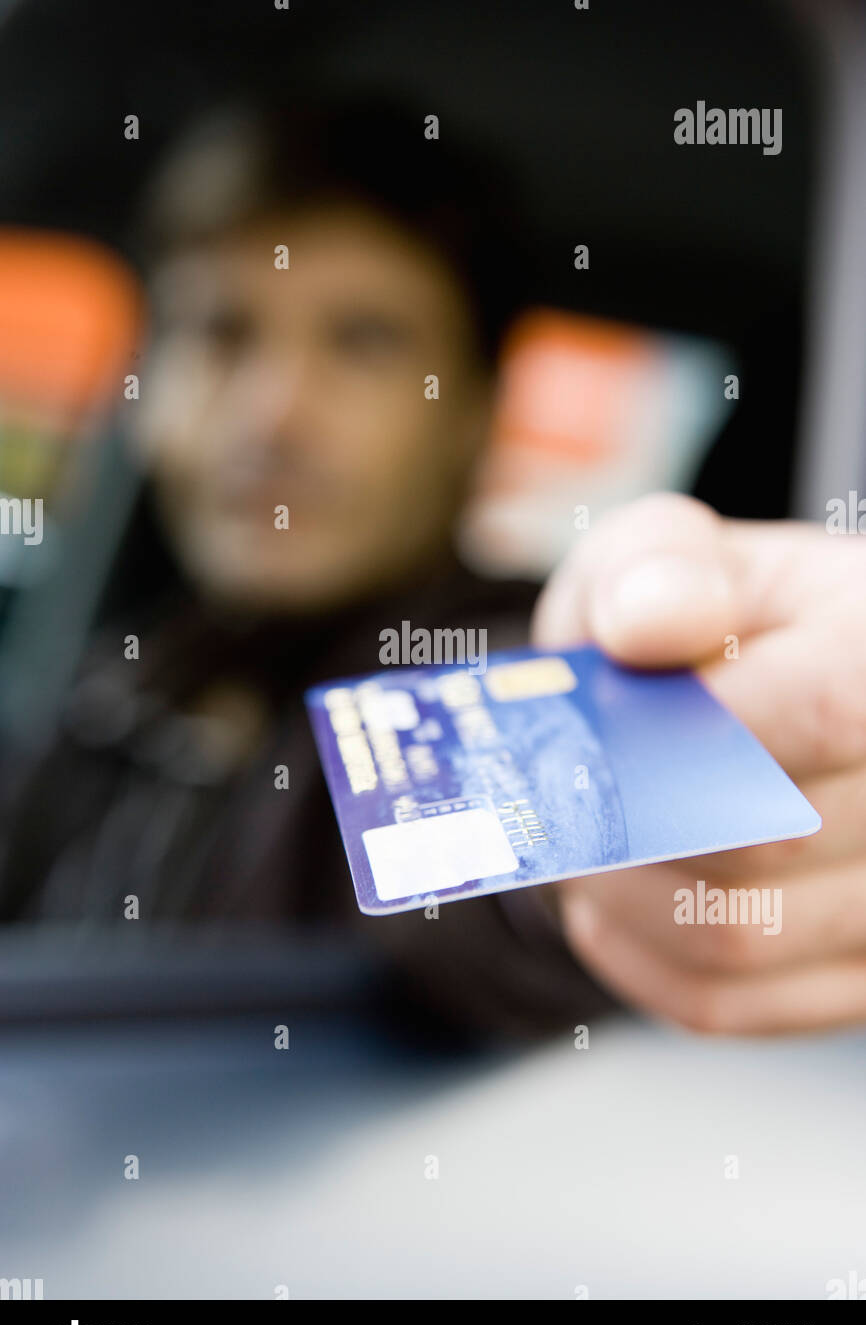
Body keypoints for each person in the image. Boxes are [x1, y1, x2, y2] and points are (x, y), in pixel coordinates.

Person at [3, 94, 866, 1041]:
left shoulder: (488, 663)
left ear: (473, 411)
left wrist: (665, 773)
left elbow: (511, 852)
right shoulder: (117, 693)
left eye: (364, 342)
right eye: (223, 332)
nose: (274, 412)